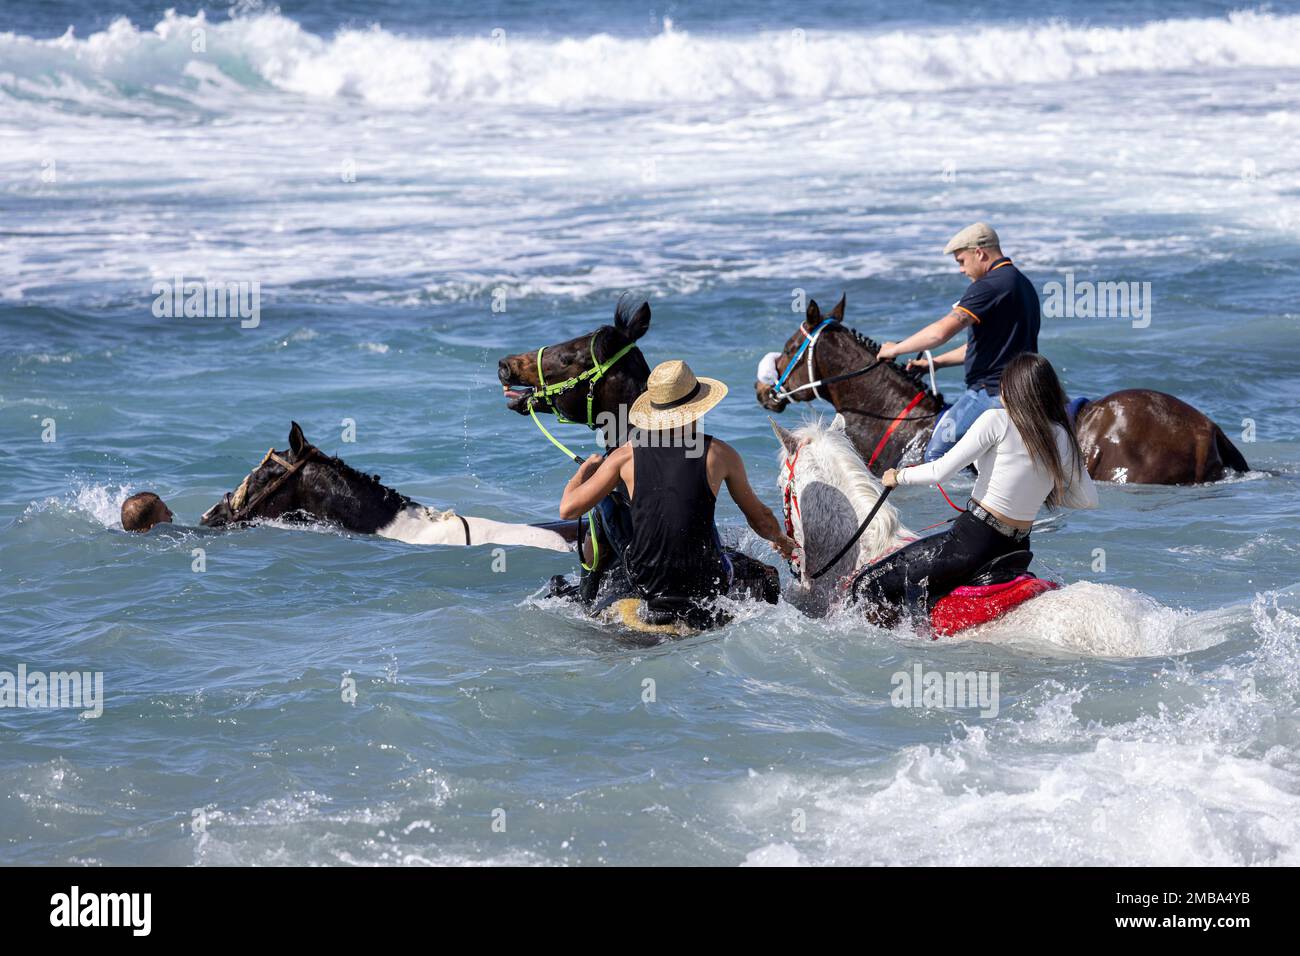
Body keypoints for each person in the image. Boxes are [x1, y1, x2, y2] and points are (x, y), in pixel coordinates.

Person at [855, 352, 1097, 625]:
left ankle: (906, 643)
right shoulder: (1062, 435)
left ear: (1011, 389)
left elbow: (940, 471)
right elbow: (1088, 499)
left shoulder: (996, 419)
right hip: (1016, 551)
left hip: (972, 544)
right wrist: (1031, 493)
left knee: (868, 584)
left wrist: (897, 477)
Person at [559, 360, 795, 624]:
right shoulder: (720, 454)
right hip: (705, 583)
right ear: (697, 408)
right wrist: (783, 541)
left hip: (646, 582)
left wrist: (584, 472)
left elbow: (568, 509)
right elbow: (760, 518)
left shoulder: (623, 456)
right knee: (766, 575)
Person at [876, 222, 1040, 462]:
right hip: (1020, 390)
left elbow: (939, 333)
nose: (961, 270)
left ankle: (965, 499)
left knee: (936, 455)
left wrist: (895, 349)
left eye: (961, 261)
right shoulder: (1021, 283)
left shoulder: (988, 285)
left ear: (980, 253)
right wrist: (937, 363)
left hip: (990, 392)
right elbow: (988, 346)